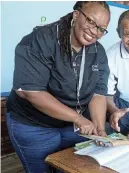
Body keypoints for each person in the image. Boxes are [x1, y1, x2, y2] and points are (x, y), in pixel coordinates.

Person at [6, 2, 111, 172]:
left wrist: (99, 128)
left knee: (70, 167)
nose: (95, 31)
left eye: (101, 29)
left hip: (71, 127)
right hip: (34, 125)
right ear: (76, 15)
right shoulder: (41, 39)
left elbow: (97, 93)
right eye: (91, 22)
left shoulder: (98, 52)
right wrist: (78, 118)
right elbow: (33, 92)